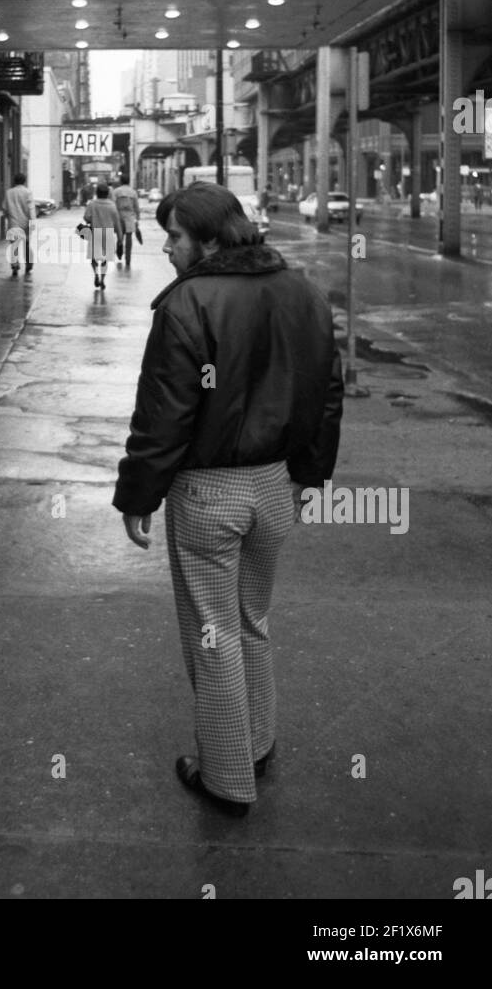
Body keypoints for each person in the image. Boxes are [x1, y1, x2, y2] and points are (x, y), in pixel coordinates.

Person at [113, 183, 343, 817]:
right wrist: (309, 476)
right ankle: (257, 744)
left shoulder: (188, 303)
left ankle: (226, 779)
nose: (166, 248)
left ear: (210, 240)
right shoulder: (303, 291)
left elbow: (165, 414)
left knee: (213, 635)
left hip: (209, 492)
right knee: (251, 623)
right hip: (275, 487)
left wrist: (139, 494)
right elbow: (327, 392)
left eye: (176, 237)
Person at [80, 182, 123, 289]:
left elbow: (86, 217)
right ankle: (102, 280)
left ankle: (96, 276)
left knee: (94, 259)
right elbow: (117, 223)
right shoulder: (112, 206)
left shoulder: (92, 204)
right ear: (107, 194)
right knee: (104, 260)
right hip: (108, 234)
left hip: (95, 233)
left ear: (97, 193)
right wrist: (120, 239)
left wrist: (94, 218)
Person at [3, 172, 35, 277]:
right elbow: (31, 209)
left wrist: (8, 216)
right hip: (25, 223)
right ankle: (28, 265)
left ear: (14, 181)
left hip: (13, 223)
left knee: (14, 246)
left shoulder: (9, 193)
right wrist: (32, 223)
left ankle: (15, 266)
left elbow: (4, 208)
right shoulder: (27, 192)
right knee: (26, 245)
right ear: (24, 181)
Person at [112, 172, 141, 266]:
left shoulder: (116, 191)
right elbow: (136, 206)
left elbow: (112, 205)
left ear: (120, 181)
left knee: (120, 236)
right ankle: (128, 258)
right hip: (130, 216)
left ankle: (119, 250)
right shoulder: (133, 192)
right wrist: (138, 218)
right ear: (128, 181)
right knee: (129, 238)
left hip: (118, 215)